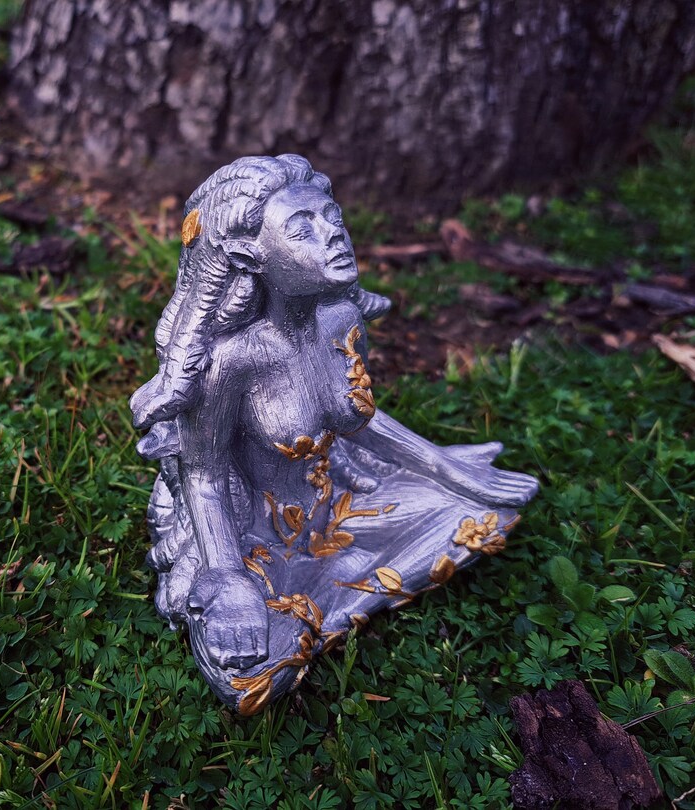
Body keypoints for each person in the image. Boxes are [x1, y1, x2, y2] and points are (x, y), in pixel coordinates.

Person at [130, 155, 538, 715]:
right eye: (302, 230)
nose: (333, 236)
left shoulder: (339, 317)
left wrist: (447, 467)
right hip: (254, 534)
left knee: (482, 516)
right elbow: (203, 474)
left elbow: (362, 420)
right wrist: (226, 581)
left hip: (336, 503)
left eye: (332, 218)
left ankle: (333, 592)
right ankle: (301, 598)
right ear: (253, 258)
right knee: (253, 674)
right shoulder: (230, 361)